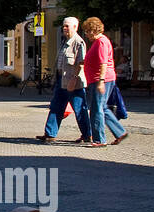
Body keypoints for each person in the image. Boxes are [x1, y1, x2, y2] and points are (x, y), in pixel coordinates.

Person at [36, 17, 90, 143]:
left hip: (73, 82)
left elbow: (81, 63)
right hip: (61, 79)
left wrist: (74, 79)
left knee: (79, 109)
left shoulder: (78, 42)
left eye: (67, 26)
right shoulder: (64, 41)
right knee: (56, 106)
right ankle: (50, 134)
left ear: (75, 27)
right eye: (63, 26)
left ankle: (87, 135)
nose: (64, 28)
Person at [82, 17, 127, 147]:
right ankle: (120, 132)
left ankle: (99, 140)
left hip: (101, 79)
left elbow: (103, 63)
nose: (86, 34)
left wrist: (101, 81)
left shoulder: (101, 42)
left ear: (93, 30)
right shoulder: (99, 42)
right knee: (102, 107)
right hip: (99, 79)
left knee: (96, 109)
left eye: (87, 31)